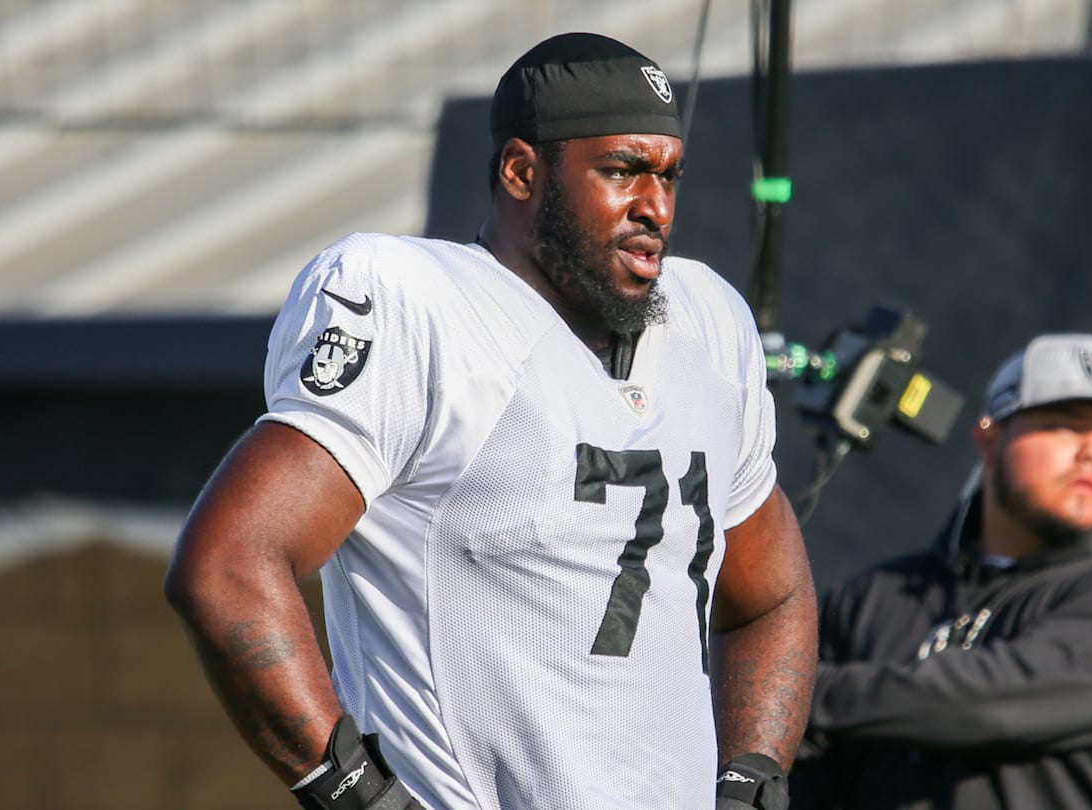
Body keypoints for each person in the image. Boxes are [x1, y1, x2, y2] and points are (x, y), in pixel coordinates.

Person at [165, 32, 816, 810]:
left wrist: (753, 776)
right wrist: (363, 796)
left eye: (670, 176)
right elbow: (229, 567)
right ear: (521, 172)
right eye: (622, 172)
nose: (657, 207)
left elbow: (774, 597)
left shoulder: (707, 322)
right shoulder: (425, 306)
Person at [788, 333, 1092, 809]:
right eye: (1066, 425)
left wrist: (793, 689)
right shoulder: (875, 598)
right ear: (988, 438)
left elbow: (982, 705)